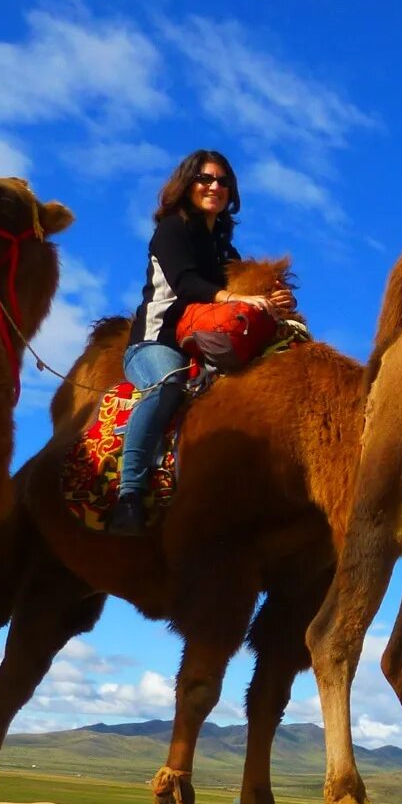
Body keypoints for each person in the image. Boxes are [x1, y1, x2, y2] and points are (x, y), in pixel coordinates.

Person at [105, 150, 291, 535]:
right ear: (188, 183)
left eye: (223, 181)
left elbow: (242, 289)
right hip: (158, 342)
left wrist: (274, 301)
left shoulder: (224, 248)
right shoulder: (172, 230)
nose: (215, 187)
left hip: (203, 343)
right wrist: (234, 298)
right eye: (206, 179)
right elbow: (186, 283)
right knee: (167, 384)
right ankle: (130, 493)